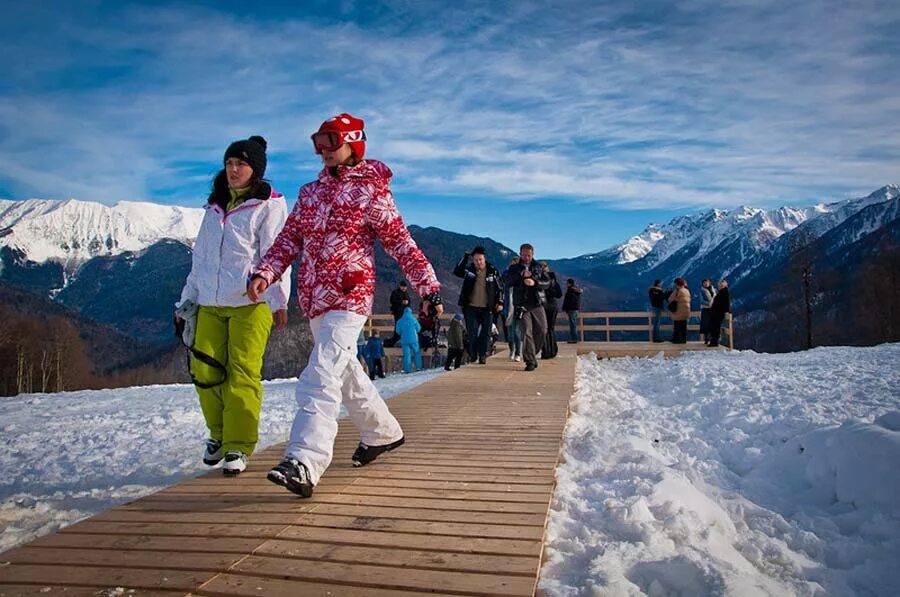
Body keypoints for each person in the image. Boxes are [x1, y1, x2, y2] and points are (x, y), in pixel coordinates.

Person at [247, 112, 442, 498]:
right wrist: (266, 273)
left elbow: (401, 243)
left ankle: (304, 459)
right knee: (345, 370)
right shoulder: (310, 193)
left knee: (320, 372)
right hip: (316, 298)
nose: (323, 151)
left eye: (331, 142)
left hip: (351, 295)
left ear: (354, 143)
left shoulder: (372, 191)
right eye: (318, 143)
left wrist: (429, 287)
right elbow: (289, 240)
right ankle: (382, 432)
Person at [176, 135, 290, 476]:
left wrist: (278, 300)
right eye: (229, 163)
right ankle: (218, 435)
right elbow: (202, 258)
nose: (233, 169)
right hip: (209, 303)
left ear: (255, 169)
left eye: (240, 163)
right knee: (205, 371)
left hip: (250, 303)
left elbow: (278, 253)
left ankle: (238, 444)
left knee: (242, 374)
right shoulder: (214, 207)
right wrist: (186, 300)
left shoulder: (269, 205)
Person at [453, 246, 503, 365]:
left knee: (486, 332)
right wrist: (465, 257)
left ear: (484, 259)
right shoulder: (469, 270)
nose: (478, 262)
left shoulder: (492, 271)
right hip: (471, 306)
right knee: (472, 332)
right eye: (476, 260)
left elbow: (500, 288)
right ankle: (473, 354)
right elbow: (457, 271)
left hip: (487, 307)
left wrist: (500, 302)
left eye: (480, 259)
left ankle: (483, 354)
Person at [507, 243, 551, 371]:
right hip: (522, 305)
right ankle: (530, 360)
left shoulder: (538, 267)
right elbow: (508, 281)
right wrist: (521, 276)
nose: (527, 257)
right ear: (520, 254)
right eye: (524, 255)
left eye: (529, 255)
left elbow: (547, 283)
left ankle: (532, 354)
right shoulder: (514, 268)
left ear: (533, 254)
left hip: (537, 303)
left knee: (542, 330)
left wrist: (535, 282)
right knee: (527, 332)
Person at [540, 262, 562, 359]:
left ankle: (546, 351)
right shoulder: (553, 280)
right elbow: (559, 294)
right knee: (551, 329)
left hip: (543, 305)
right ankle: (553, 350)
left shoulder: (539, 280)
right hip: (553, 306)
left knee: (544, 329)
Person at [502, 257, 522, 361]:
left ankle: (518, 353)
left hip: (517, 308)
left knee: (517, 332)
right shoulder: (507, 277)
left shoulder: (520, 279)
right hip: (507, 308)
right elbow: (503, 277)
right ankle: (511, 349)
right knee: (510, 335)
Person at [397, 306, 423, 373]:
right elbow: (418, 329)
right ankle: (418, 367)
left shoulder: (400, 321)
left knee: (406, 355)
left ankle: (407, 369)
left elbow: (398, 331)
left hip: (404, 340)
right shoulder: (414, 320)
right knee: (417, 353)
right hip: (414, 339)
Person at [386, 281, 410, 346]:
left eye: (405, 287)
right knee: (398, 326)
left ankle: (402, 339)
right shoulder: (395, 292)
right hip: (397, 312)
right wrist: (401, 302)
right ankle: (396, 339)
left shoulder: (406, 293)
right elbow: (392, 301)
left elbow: (409, 302)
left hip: (405, 312)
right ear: (400, 286)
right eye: (403, 287)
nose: (404, 288)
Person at [708, 280, 731, 347]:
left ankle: (715, 342)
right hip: (716, 312)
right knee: (713, 327)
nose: (720, 286)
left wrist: (727, 311)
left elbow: (726, 303)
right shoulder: (721, 292)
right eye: (719, 285)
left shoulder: (725, 292)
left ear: (725, 285)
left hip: (718, 313)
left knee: (716, 328)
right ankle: (713, 341)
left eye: (721, 285)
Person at [669, 278, 691, 344]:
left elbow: (670, 299)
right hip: (686, 311)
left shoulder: (678, 291)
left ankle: (677, 340)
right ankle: (683, 339)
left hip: (678, 311)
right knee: (683, 327)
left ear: (677, 284)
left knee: (677, 326)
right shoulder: (687, 290)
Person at [562, 278, 582, 343]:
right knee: (573, 324)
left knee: (572, 325)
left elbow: (569, 301)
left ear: (569, 283)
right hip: (575, 309)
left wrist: (565, 308)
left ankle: (574, 339)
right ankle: (574, 338)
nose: (566, 284)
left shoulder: (571, 290)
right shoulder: (576, 290)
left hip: (571, 309)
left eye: (567, 283)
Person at [699, 279, 716, 345]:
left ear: (709, 283)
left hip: (713, 309)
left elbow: (715, 297)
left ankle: (712, 339)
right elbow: (701, 301)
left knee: (712, 324)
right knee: (705, 324)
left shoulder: (713, 290)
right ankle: (706, 339)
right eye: (704, 283)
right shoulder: (701, 291)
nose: (706, 284)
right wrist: (709, 303)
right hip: (705, 309)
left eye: (707, 283)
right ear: (702, 284)